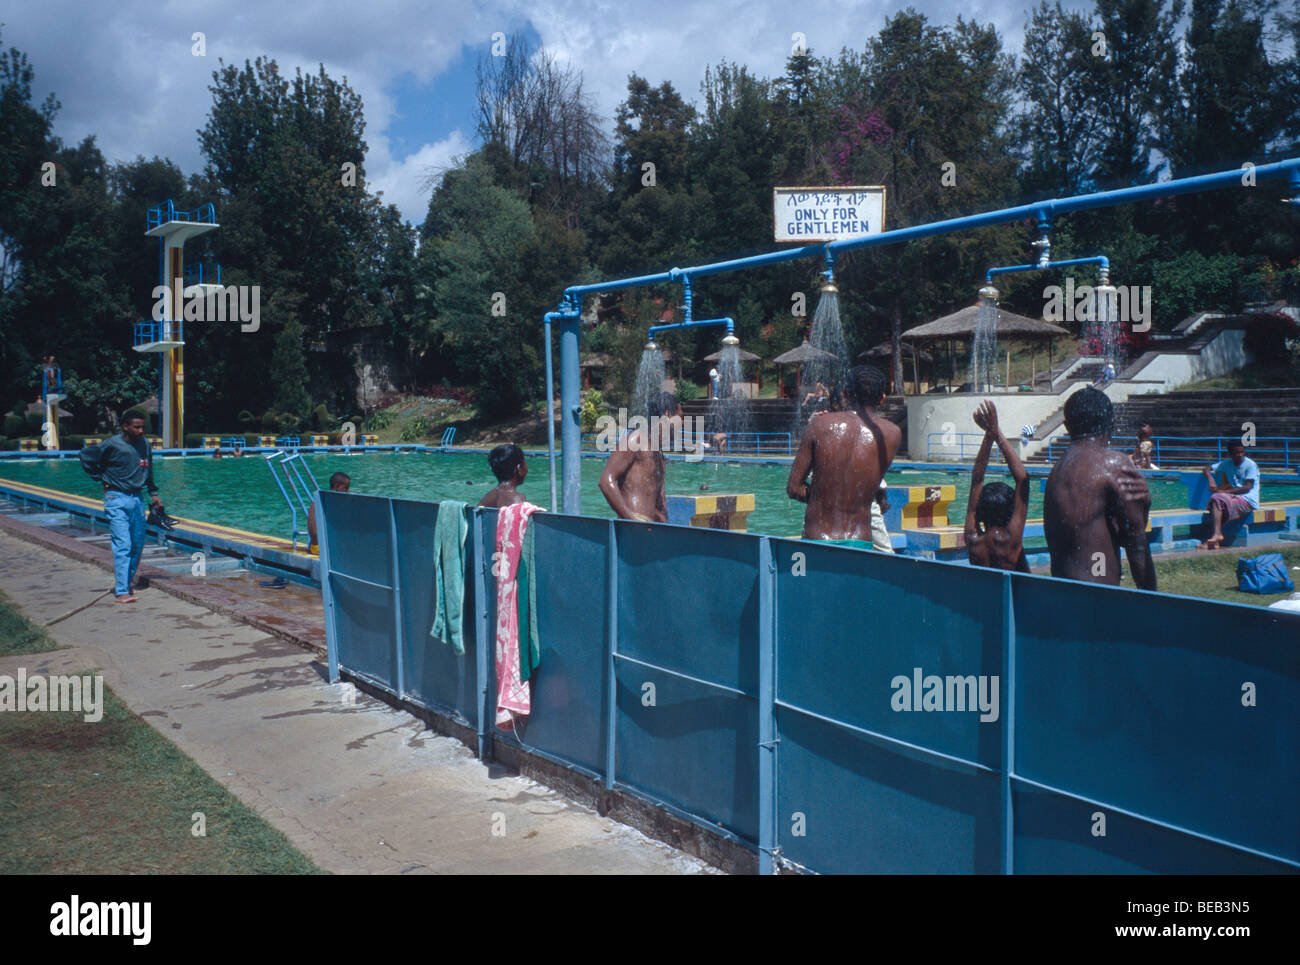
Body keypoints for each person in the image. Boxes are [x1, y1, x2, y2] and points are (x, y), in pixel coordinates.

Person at [1043, 387, 1156, 589]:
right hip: (1099, 590)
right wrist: (1153, 602)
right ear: (1110, 423)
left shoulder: (1056, 471)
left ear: (1067, 427)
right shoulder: (1114, 464)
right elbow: (1135, 542)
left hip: (1061, 591)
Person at [787, 365, 901, 543]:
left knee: (802, 571)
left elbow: (794, 488)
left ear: (846, 393)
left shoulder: (819, 425)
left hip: (817, 538)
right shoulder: (893, 434)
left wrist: (824, 498)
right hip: (861, 540)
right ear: (882, 398)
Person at [79, 410, 162, 603]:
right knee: (123, 544)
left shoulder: (145, 444)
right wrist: (100, 478)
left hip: (137, 499)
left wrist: (154, 493)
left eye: (143, 427)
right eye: (137, 427)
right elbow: (86, 456)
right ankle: (122, 591)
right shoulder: (112, 444)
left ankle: (127, 584)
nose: (141, 430)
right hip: (116, 498)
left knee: (137, 544)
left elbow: (148, 468)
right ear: (125, 426)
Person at [964, 400, 1030, 572]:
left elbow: (977, 479)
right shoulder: (1010, 539)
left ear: (979, 510)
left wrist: (989, 434)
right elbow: (1022, 479)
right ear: (1010, 510)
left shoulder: (973, 538)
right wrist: (996, 432)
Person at [599, 391, 680, 523]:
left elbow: (661, 501)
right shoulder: (636, 440)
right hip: (634, 524)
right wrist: (632, 521)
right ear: (668, 414)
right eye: (680, 417)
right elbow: (606, 481)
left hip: (650, 528)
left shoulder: (658, 453)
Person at [1199, 442, 1260, 550]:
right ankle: (1215, 538)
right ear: (1230, 454)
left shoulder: (1250, 465)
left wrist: (1225, 493)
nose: (1240, 455)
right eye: (1237, 453)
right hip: (1234, 498)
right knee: (1217, 502)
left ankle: (1216, 535)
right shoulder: (1226, 464)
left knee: (1217, 499)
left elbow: (1247, 487)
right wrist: (1211, 479)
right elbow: (1206, 468)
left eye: (1242, 452)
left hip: (1248, 499)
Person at [307, 471, 351, 553]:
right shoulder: (320, 502)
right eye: (346, 488)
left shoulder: (321, 501)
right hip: (321, 549)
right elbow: (313, 531)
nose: (348, 491)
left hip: (321, 547)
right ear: (337, 486)